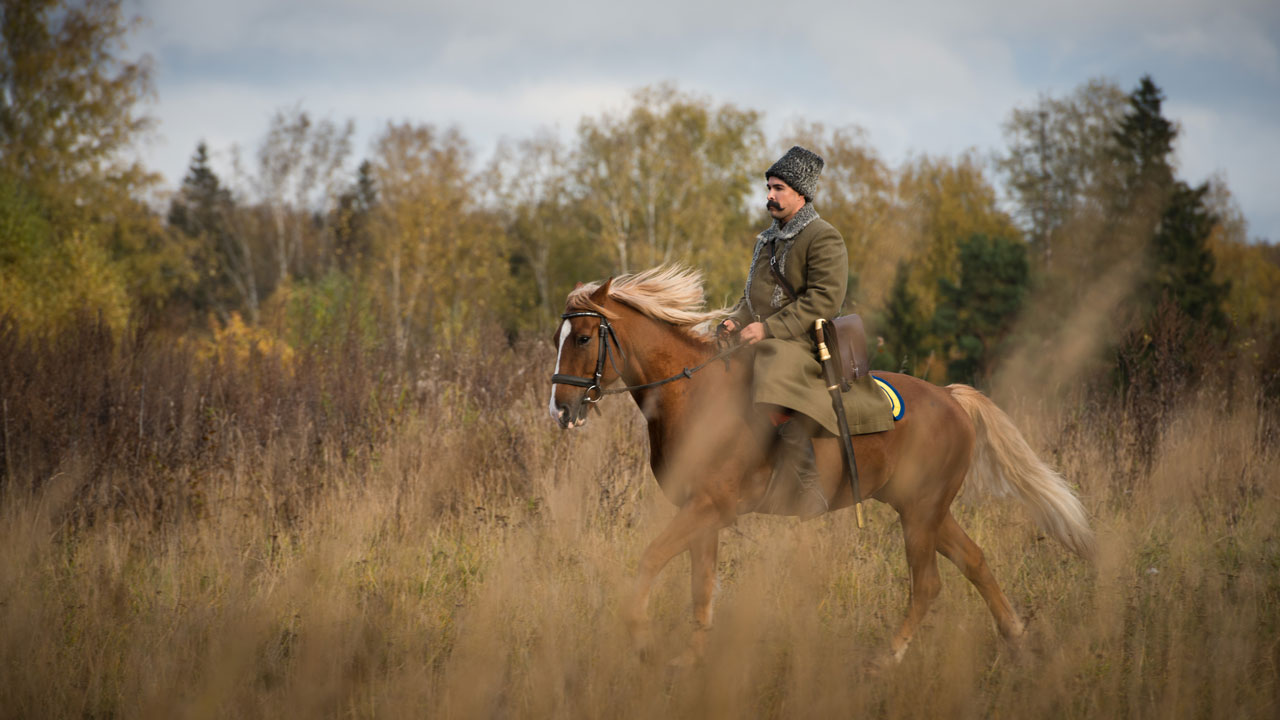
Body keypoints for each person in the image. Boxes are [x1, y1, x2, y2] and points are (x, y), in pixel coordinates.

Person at [719, 146, 848, 519]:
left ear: (801, 194)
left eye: (779, 188)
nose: (770, 196)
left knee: (771, 362)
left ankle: (809, 483)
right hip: (764, 334)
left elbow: (824, 301)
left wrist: (768, 330)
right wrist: (736, 320)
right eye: (769, 188)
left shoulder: (824, 237)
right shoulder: (769, 239)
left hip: (805, 341)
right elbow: (752, 298)